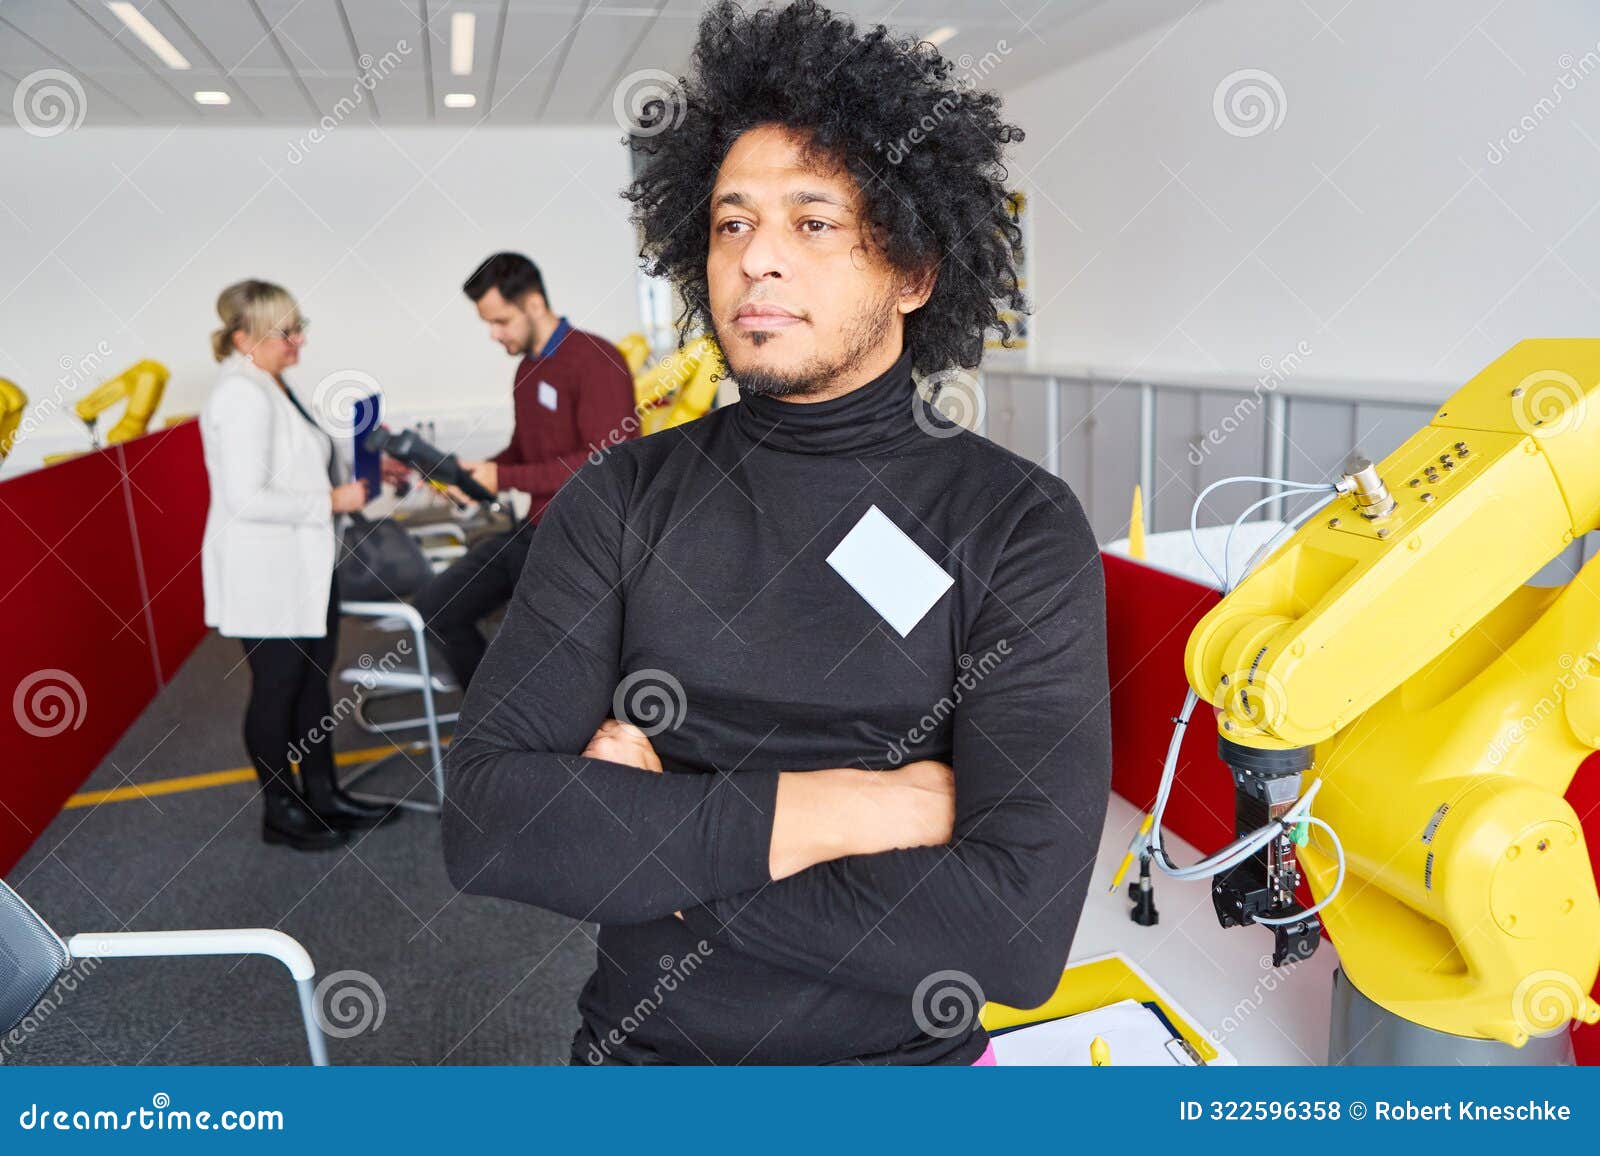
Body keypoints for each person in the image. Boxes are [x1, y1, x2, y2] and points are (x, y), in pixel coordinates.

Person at [441, 0, 1111, 1065]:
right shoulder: (623, 497)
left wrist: (661, 848)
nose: (758, 258)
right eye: (731, 222)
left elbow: (1012, 935)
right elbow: (491, 821)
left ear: (914, 271)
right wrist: (853, 808)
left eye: (813, 221)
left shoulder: (1017, 525)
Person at [199, 280, 400, 850]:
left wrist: (353, 481)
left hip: (304, 567)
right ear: (244, 339)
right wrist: (333, 501)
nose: (298, 340)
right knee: (278, 690)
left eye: (298, 326)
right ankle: (281, 812)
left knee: (312, 686)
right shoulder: (240, 395)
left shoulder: (271, 385)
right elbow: (246, 499)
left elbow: (295, 470)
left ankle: (324, 794)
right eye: (285, 332)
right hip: (266, 575)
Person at [409, 253, 638, 689]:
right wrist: (475, 474)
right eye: (488, 324)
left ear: (533, 304)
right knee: (437, 608)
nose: (495, 335)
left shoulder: (594, 360)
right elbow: (524, 450)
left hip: (588, 543)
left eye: (501, 321)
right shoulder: (528, 370)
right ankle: (494, 722)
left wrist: (505, 478)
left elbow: (606, 464)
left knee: (555, 658)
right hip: (535, 533)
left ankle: (536, 730)